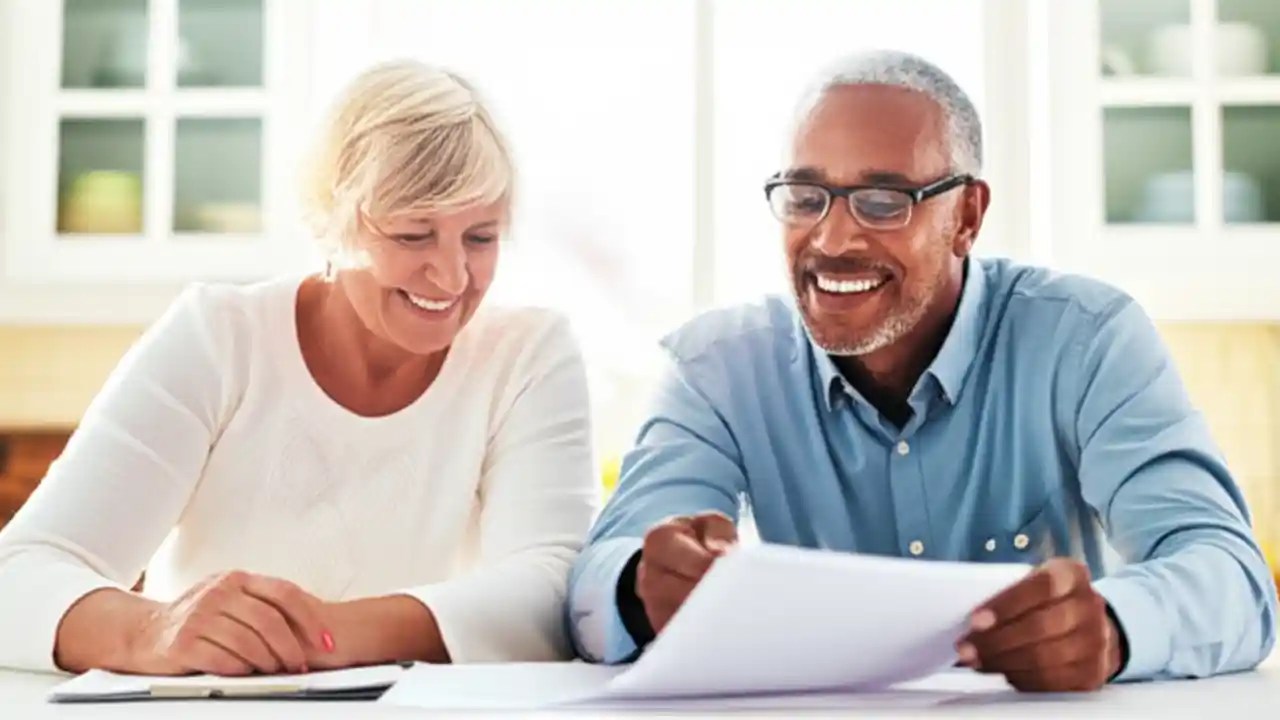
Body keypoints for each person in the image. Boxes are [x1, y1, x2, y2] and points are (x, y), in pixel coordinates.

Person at [567, 50, 1277, 692]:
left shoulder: (1086, 340)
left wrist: (1116, 626)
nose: (833, 237)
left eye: (883, 201)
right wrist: (640, 588)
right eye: (806, 197)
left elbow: (1233, 577)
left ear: (966, 216)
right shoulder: (716, 368)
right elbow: (593, 591)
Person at [0, 60, 597, 675]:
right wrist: (152, 631)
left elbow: (553, 591)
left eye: (480, 238)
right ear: (333, 222)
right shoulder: (220, 338)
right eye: (413, 236)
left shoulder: (527, 354)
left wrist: (322, 636)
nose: (451, 278)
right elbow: (18, 574)